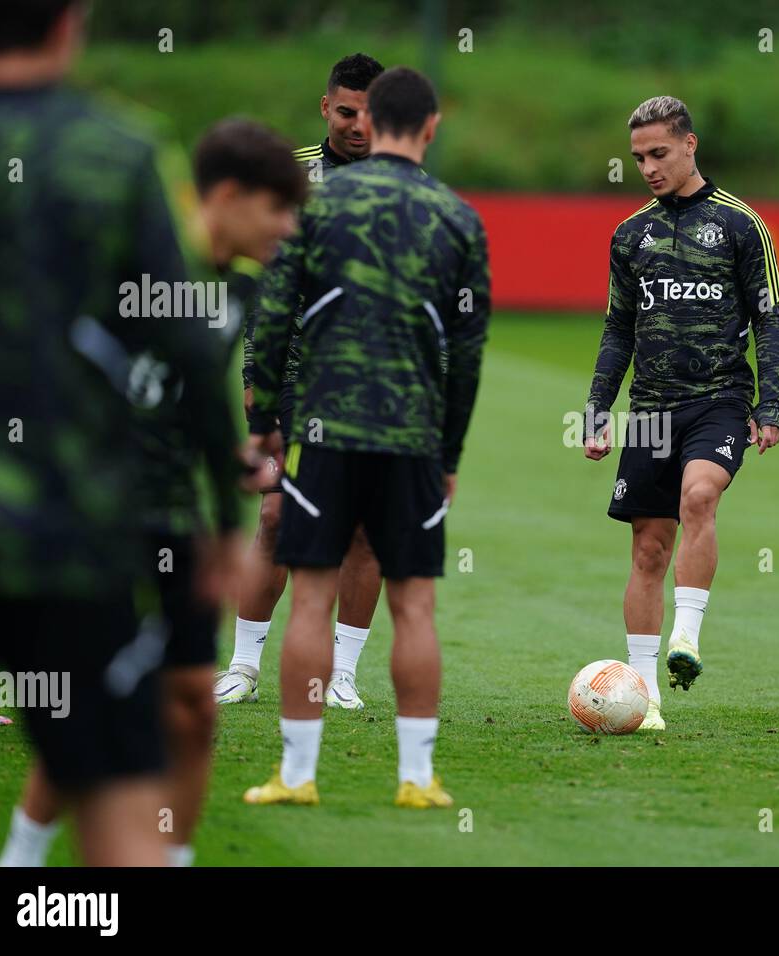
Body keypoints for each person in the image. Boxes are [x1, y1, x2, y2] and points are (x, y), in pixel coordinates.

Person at [0, 0, 238, 865]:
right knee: (118, 800)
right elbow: (191, 346)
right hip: (74, 535)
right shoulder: (118, 149)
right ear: (70, 22)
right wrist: (226, 518)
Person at [0, 119, 307, 867]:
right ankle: (23, 856)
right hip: (101, 515)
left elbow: (189, 394)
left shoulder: (238, 289)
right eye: (277, 208)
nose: (288, 228)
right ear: (226, 196)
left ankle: (173, 859)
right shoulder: (131, 268)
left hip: (178, 518)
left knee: (192, 705)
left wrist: (230, 467)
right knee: (94, 704)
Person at [243, 66, 489, 809]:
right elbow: (466, 355)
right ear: (432, 126)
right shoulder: (458, 218)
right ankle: (416, 779)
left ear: (371, 118)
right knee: (415, 606)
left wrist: (262, 425)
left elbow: (271, 319)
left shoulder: (315, 202)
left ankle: (296, 775)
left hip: (324, 430)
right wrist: (448, 454)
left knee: (310, 601)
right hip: (411, 438)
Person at [583, 95, 779, 730]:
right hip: (650, 408)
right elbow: (618, 328)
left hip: (719, 401)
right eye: (638, 157)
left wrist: (770, 405)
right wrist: (597, 407)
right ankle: (644, 696)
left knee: (700, 495)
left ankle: (687, 637)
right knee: (649, 550)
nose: (648, 167)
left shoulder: (741, 225)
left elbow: (769, 320)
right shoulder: (629, 234)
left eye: (659, 153)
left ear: (690, 144)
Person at [218, 52, 387, 711]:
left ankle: (342, 675)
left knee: (364, 531)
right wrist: (256, 389)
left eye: (370, 114)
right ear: (326, 107)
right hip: (293, 378)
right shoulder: (288, 180)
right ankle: (243, 665)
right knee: (275, 517)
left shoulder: (404, 187)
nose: (357, 125)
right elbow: (261, 293)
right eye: (346, 112)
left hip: (376, 388)